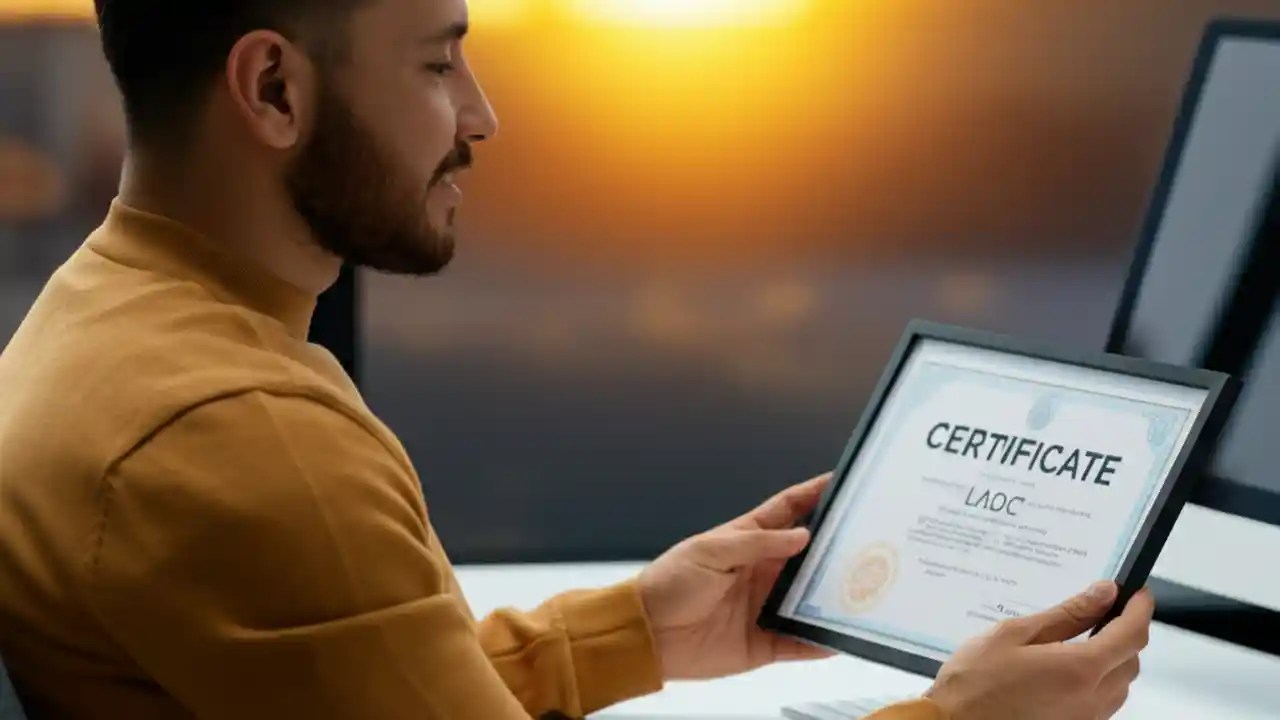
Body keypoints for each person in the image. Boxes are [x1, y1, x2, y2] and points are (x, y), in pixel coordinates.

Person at [0, 1, 1152, 718]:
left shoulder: (99, 318)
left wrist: (638, 631)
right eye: (436, 63)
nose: (482, 113)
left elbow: (332, 679)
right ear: (273, 88)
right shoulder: (242, 430)